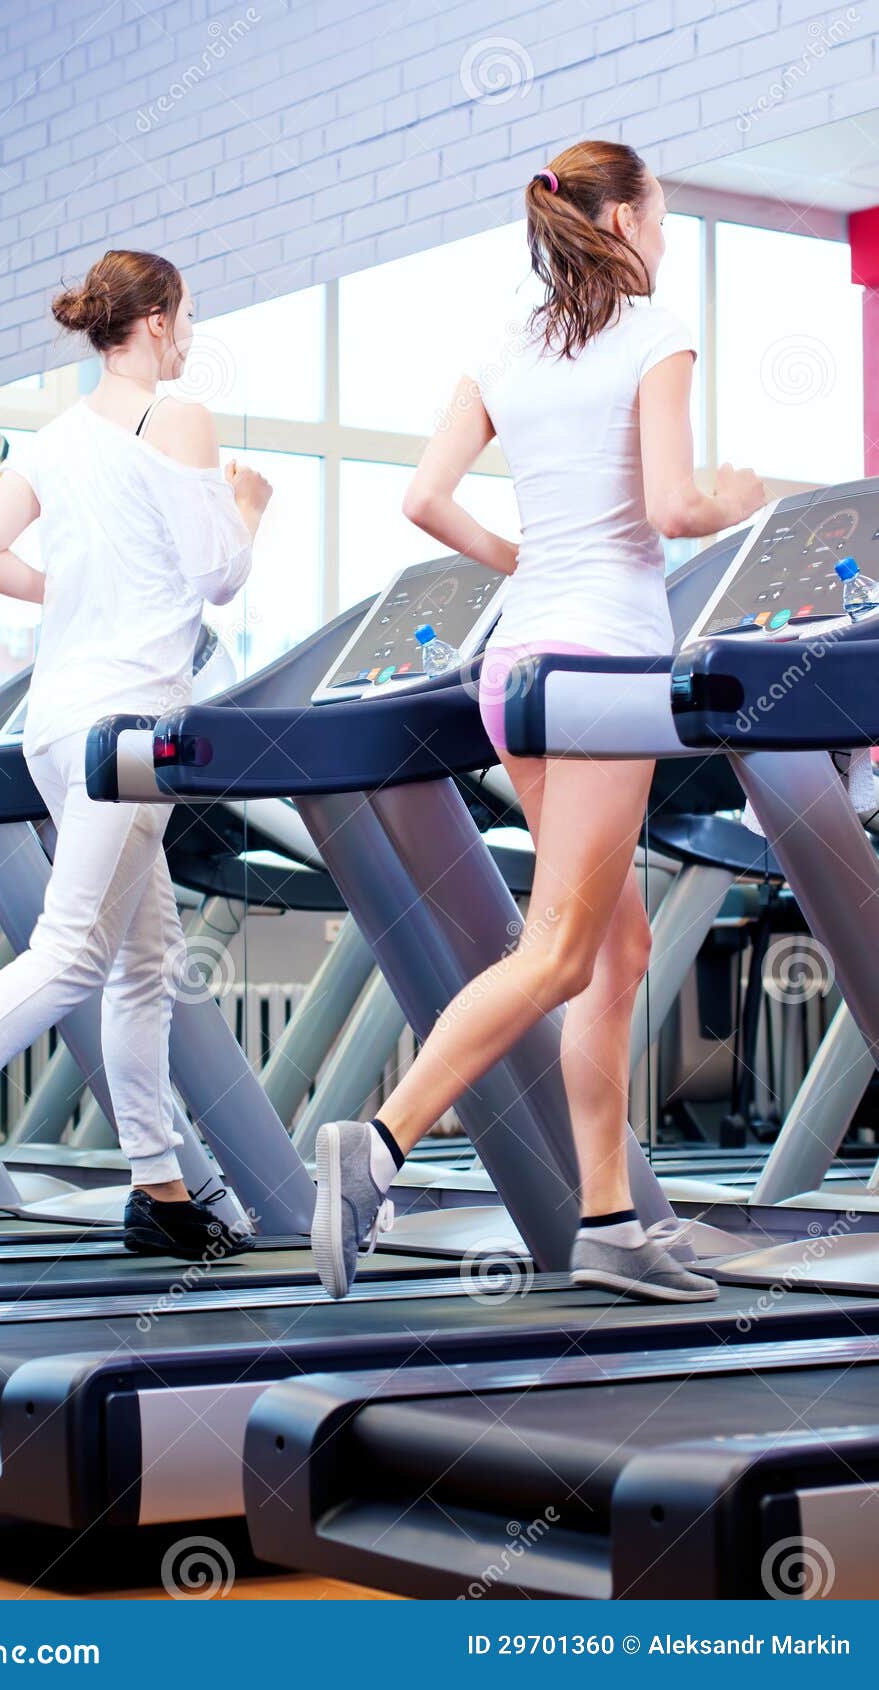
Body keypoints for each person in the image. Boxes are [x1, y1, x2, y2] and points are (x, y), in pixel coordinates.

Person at [310, 141, 767, 1303]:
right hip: (602, 664)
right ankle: (381, 1142)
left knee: (618, 948)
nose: (663, 236)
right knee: (558, 950)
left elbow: (420, 498)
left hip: (514, 659)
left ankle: (608, 1218)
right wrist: (738, 499)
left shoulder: (504, 345)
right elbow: (671, 505)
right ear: (615, 220)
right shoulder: (655, 337)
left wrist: (524, 559)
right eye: (658, 215)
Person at [0, 249, 272, 1258]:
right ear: (157, 323)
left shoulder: (63, 433)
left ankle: (158, 1190)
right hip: (125, 726)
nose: (192, 334)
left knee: (144, 959)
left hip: (57, 719)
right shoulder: (178, 416)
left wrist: (71, 599)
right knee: (74, 950)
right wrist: (250, 506)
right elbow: (217, 576)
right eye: (190, 316)